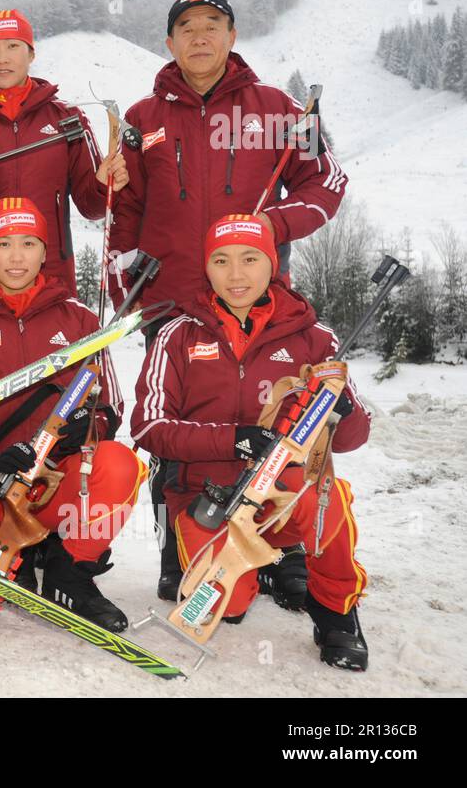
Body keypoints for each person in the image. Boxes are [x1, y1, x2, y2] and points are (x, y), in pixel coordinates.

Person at [110, 0, 348, 593]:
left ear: (233, 35)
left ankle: (284, 553)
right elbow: (124, 213)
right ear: (168, 43)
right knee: (176, 432)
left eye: (212, 25)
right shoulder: (144, 118)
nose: (199, 36)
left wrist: (275, 227)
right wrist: (127, 291)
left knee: (278, 419)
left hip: (257, 302)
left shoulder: (275, 107)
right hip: (171, 304)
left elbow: (327, 180)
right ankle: (179, 550)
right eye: (186, 27)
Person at [132, 213, 373, 670]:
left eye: (250, 258)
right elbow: (147, 426)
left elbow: (355, 439)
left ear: (272, 265)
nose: (236, 274)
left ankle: (336, 612)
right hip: (206, 498)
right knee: (230, 607)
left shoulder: (315, 338)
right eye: (221, 261)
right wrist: (235, 439)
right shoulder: (176, 334)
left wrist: (343, 412)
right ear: (207, 267)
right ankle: (258, 571)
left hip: (282, 496)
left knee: (329, 500)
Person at [0, 198, 146, 630]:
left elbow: (111, 406)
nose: (16, 257)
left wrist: (85, 431)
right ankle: (24, 551)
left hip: (56, 478)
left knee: (119, 465)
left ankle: (69, 570)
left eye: (29, 243)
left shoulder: (80, 319)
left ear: (45, 250)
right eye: (4, 244)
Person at [0, 9, 122, 300]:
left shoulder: (68, 119)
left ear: (31, 54)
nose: (2, 58)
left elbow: (92, 207)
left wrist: (103, 184)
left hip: (52, 282)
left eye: (13, 46)